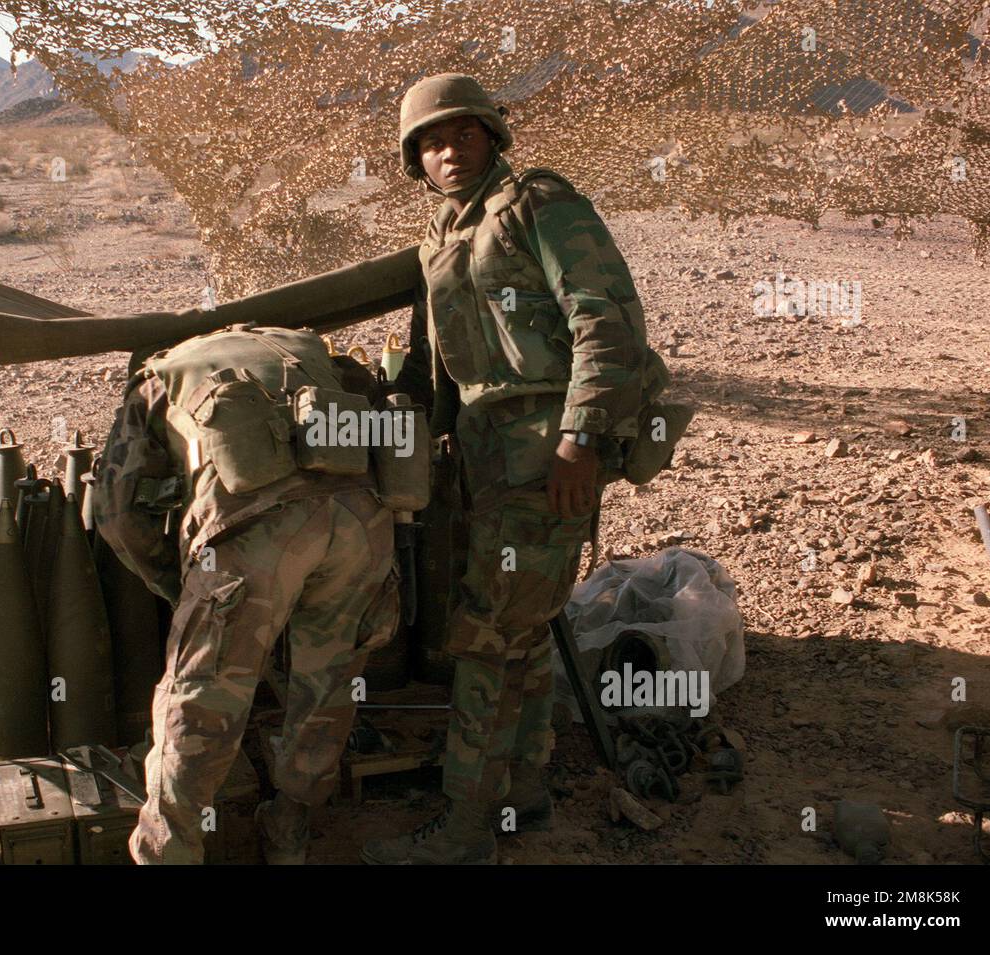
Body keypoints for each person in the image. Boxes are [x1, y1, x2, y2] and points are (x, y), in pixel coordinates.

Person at [363, 73, 655, 864]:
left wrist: (582, 439)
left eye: (461, 134)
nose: (446, 150)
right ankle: (522, 793)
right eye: (429, 141)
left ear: (493, 136)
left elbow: (603, 317)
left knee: (487, 638)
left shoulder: (537, 203)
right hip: (488, 454)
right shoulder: (444, 232)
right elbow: (443, 360)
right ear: (414, 160)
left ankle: (462, 831)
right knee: (522, 632)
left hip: (546, 449)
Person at [95, 323, 400, 865]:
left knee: (201, 697)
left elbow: (117, 514)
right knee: (328, 685)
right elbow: (382, 409)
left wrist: (174, 583)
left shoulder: (157, 377)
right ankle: (290, 831)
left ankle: (169, 854)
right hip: (362, 526)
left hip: (254, 534)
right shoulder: (307, 348)